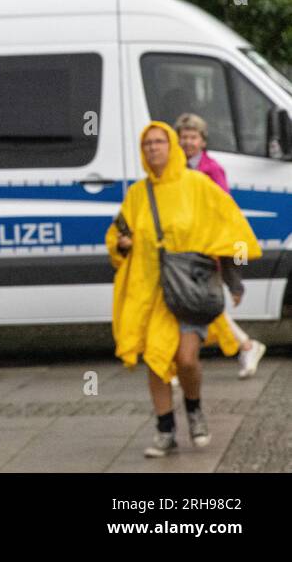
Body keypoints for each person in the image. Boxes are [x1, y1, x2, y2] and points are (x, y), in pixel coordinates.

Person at [108, 122, 260, 459]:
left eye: (159, 141)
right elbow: (117, 237)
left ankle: (193, 409)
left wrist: (233, 280)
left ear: (172, 145)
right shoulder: (137, 195)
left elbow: (229, 228)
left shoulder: (198, 186)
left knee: (186, 359)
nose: (153, 148)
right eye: (147, 143)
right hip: (151, 294)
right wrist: (122, 244)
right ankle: (165, 430)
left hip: (190, 290)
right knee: (157, 361)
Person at [174, 113, 266, 379]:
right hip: (184, 245)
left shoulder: (211, 169)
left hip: (207, 244)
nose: (188, 142)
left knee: (200, 302)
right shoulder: (175, 167)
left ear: (203, 141)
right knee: (197, 303)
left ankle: (243, 346)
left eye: (193, 137)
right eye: (184, 137)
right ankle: (246, 346)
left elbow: (223, 208)